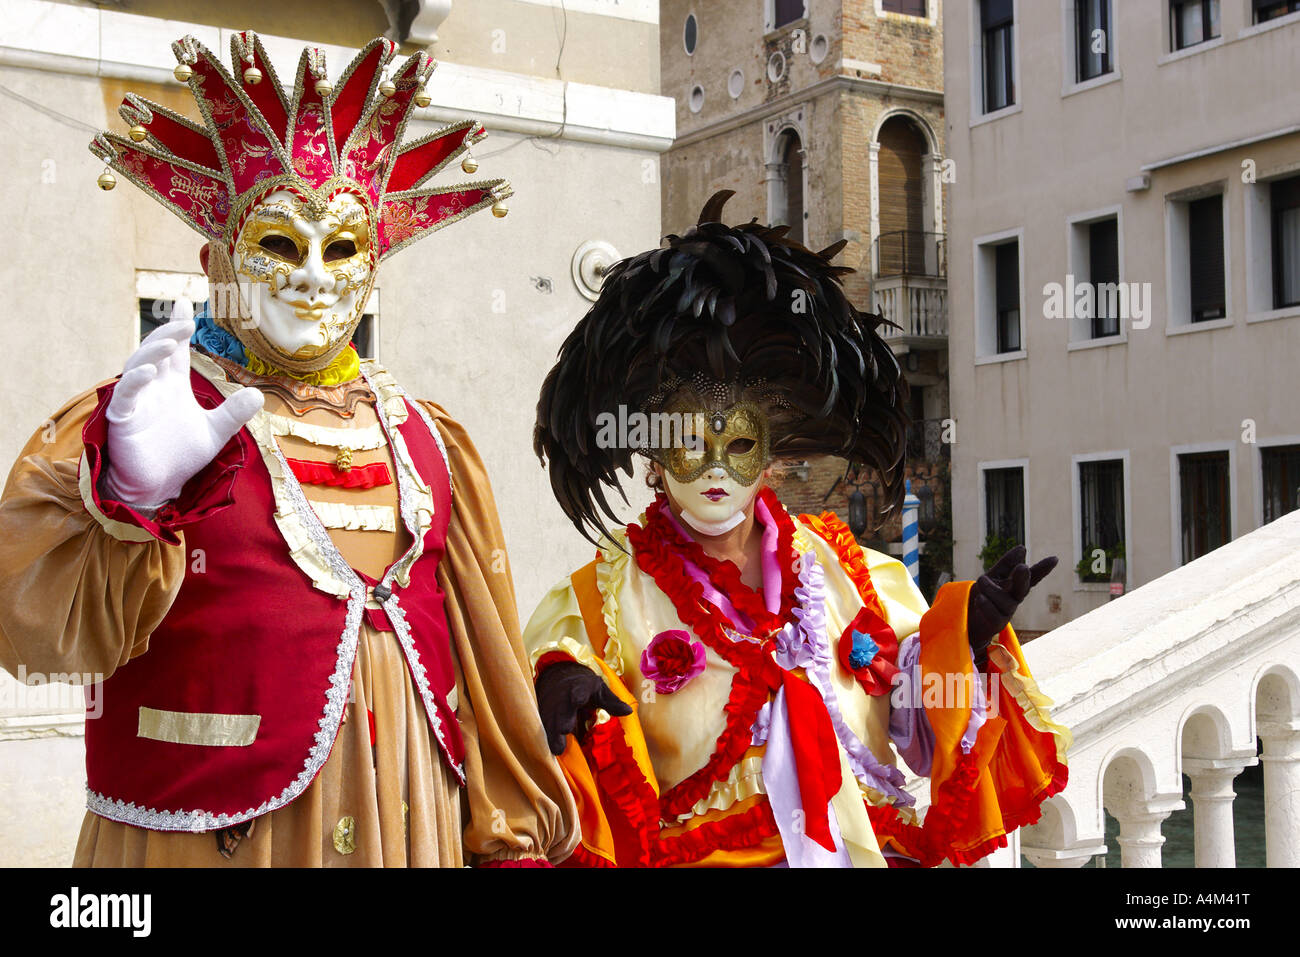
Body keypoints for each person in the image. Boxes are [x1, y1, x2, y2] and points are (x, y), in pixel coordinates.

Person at [0, 32, 575, 867]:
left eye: (340, 249)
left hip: (406, 816)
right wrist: (127, 493)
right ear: (218, 257)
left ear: (373, 265)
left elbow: (488, 664)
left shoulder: (428, 435)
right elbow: (31, 628)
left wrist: (510, 826)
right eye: (278, 245)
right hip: (209, 834)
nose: (311, 276)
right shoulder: (149, 415)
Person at [524, 192, 1072, 867]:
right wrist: (555, 688)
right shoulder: (603, 599)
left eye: (741, 443)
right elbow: (529, 701)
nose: (717, 467)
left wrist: (964, 638)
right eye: (692, 441)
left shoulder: (852, 574)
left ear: (774, 455)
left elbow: (915, 724)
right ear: (653, 459)